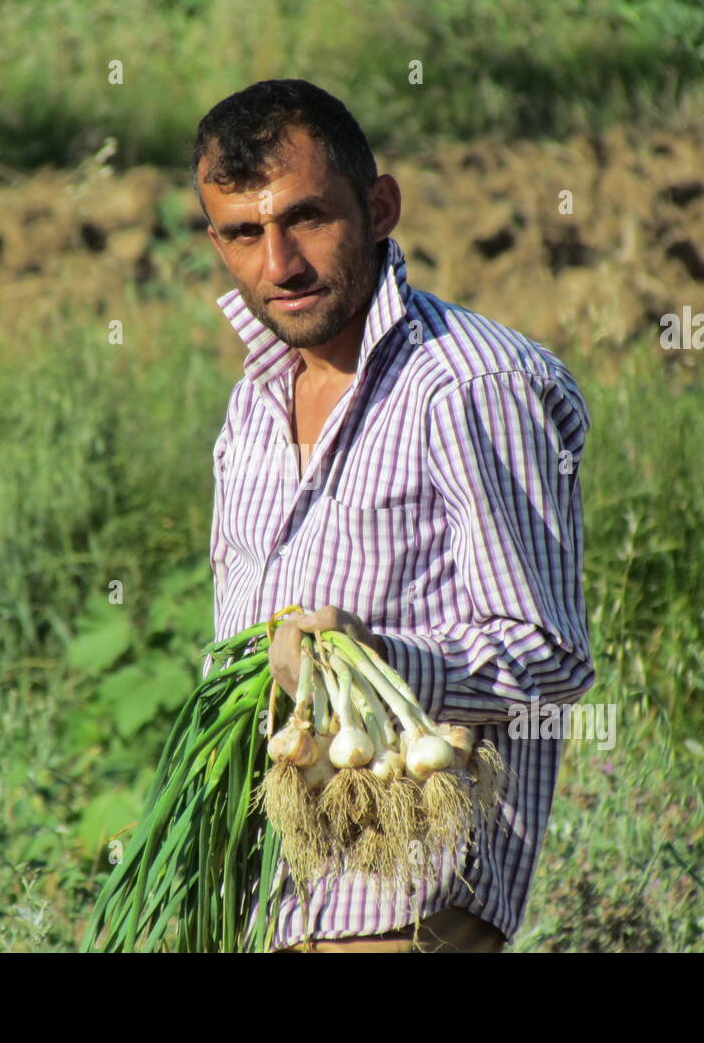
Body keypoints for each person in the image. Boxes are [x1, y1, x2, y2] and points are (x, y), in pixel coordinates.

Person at [192, 79, 595, 952]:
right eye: (242, 233)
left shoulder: (469, 387)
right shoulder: (253, 404)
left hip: (406, 907)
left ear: (379, 207)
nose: (279, 264)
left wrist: (382, 663)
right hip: (266, 904)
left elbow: (552, 655)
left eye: (306, 219)